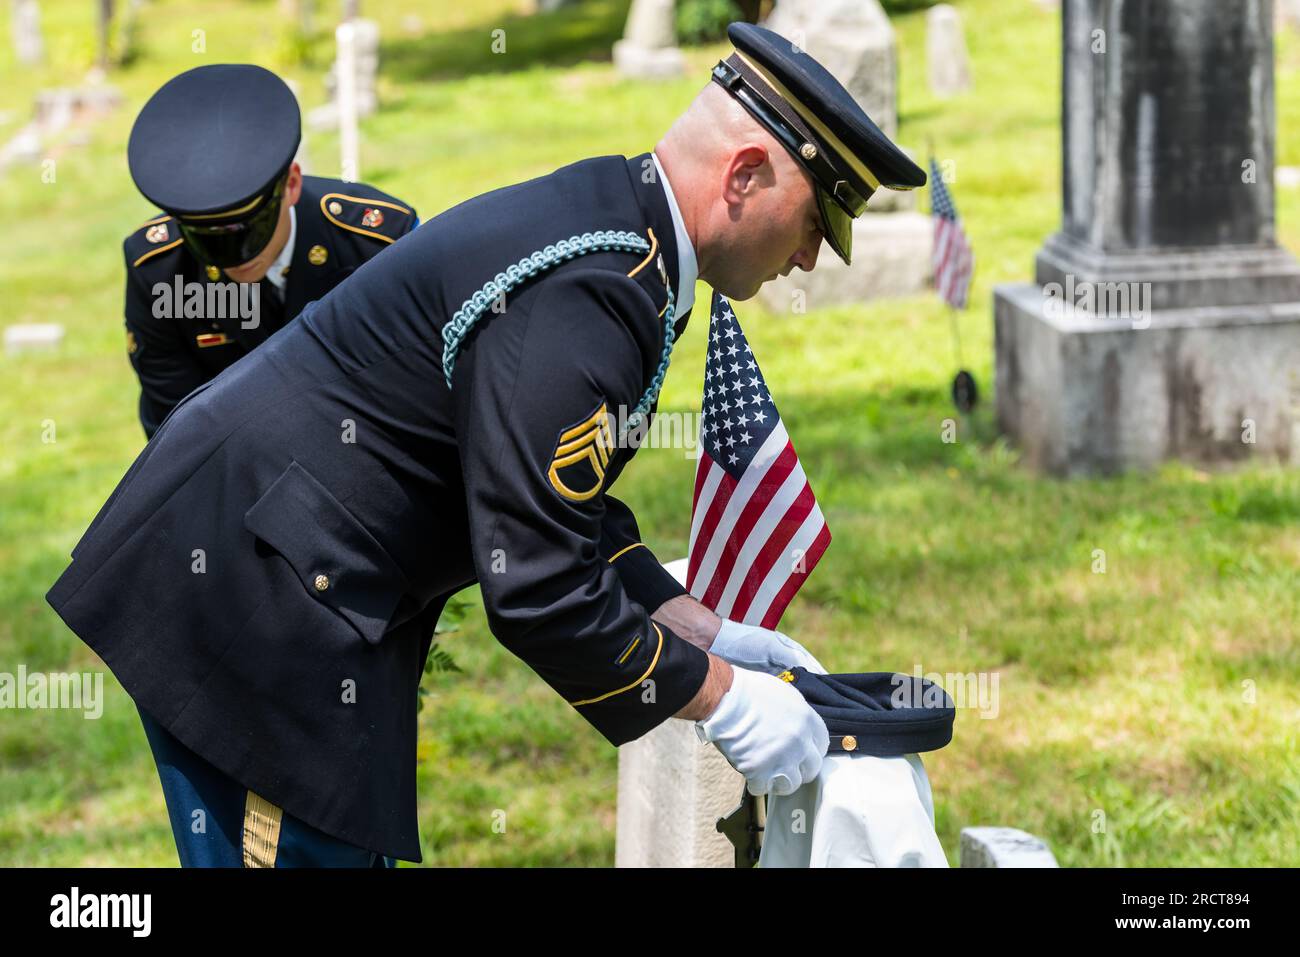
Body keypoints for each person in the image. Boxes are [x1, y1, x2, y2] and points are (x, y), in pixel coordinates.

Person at [47, 23, 926, 867]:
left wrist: (696, 623)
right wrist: (722, 698)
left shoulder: (626, 242)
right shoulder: (599, 285)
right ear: (742, 175)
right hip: (253, 604)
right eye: (816, 221)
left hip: (302, 579)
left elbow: (539, 488)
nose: (811, 259)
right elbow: (538, 586)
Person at [122, 63, 418, 438]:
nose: (236, 258)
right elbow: (177, 431)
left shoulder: (375, 243)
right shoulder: (159, 270)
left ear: (291, 185)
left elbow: (412, 393)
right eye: (207, 239)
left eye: (247, 230)